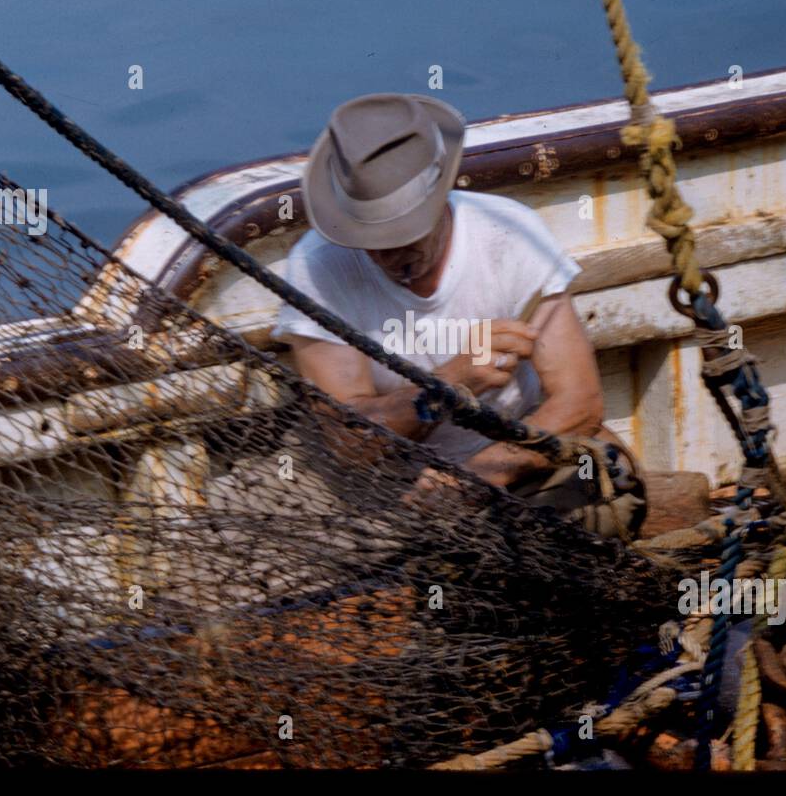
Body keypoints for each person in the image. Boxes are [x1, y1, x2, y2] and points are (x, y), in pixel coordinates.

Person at [272, 93, 645, 539]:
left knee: (607, 496)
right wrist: (451, 385)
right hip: (393, 483)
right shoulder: (316, 268)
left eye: (407, 232)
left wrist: (480, 475)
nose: (392, 253)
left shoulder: (509, 235)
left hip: (518, 456)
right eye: (372, 238)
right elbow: (351, 442)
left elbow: (579, 403)